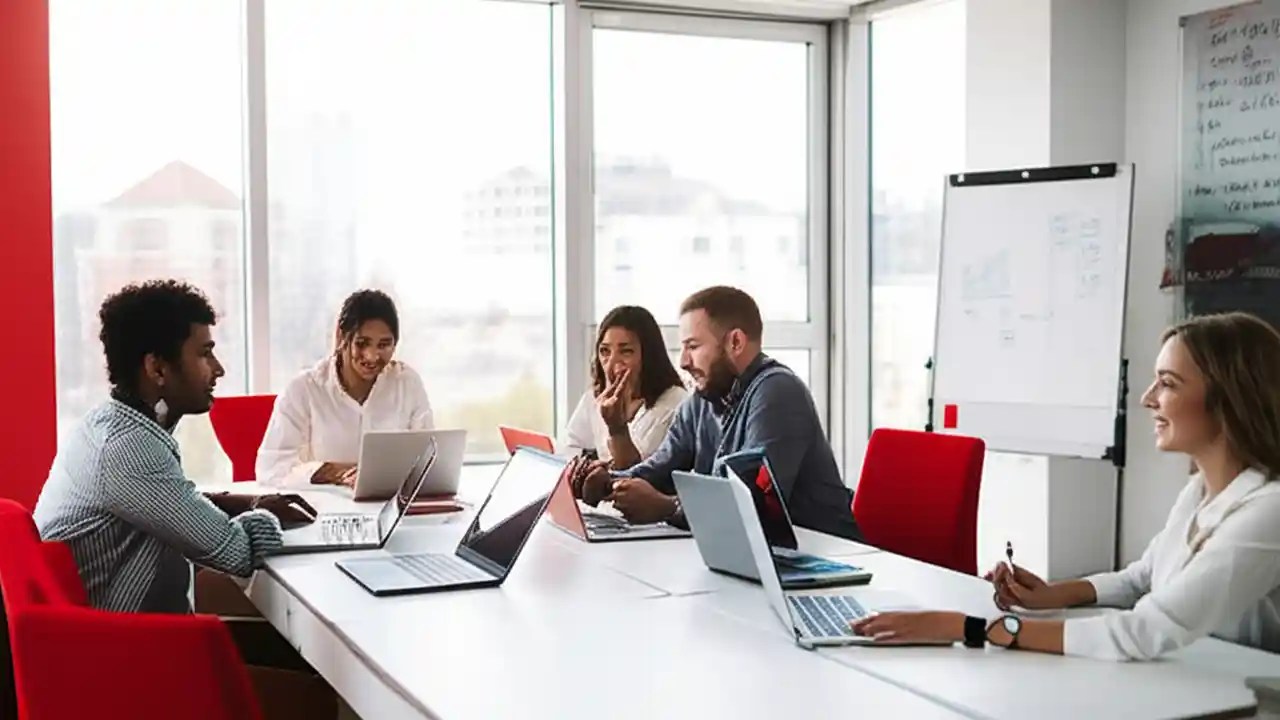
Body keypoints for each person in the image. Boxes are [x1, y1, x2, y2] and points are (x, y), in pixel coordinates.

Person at [851, 312, 1280, 660]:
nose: (1148, 398)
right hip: (1195, 678)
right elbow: (1143, 579)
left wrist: (968, 628)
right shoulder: (1201, 491)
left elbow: (1144, 630)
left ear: (1229, 399)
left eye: (1168, 383)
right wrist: (1053, 594)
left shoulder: (1268, 510)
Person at [34, 280, 313, 614]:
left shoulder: (109, 424)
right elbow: (236, 552)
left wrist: (248, 501)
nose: (218, 369)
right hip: (124, 653)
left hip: (115, 640)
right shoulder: (129, 448)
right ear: (157, 368)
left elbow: (174, 501)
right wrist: (268, 519)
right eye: (204, 353)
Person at [570, 286, 860, 540]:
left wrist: (667, 507)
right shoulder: (703, 400)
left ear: (735, 343)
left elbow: (752, 504)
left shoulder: (777, 392)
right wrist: (608, 482)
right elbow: (660, 469)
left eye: (693, 346)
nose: (683, 362)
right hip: (754, 558)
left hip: (823, 557)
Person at [257, 289, 434, 488]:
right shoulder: (304, 389)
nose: (372, 356)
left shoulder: (407, 382)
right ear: (342, 337)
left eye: (384, 345)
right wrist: (335, 473)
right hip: (325, 510)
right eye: (362, 343)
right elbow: (271, 469)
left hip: (391, 508)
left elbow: (429, 458)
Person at [562, 305, 687, 469]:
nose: (612, 365)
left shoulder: (675, 405)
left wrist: (616, 426)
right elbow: (569, 448)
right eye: (605, 351)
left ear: (649, 356)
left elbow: (636, 472)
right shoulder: (595, 397)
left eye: (626, 352)